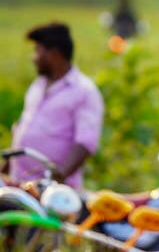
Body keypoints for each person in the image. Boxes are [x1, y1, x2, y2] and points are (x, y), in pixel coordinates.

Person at [8, 23, 104, 190]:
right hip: (19, 184)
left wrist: (57, 177)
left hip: (53, 192)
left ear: (54, 55)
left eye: (38, 51)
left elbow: (85, 143)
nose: (33, 58)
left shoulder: (83, 91)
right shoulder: (38, 85)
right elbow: (23, 131)